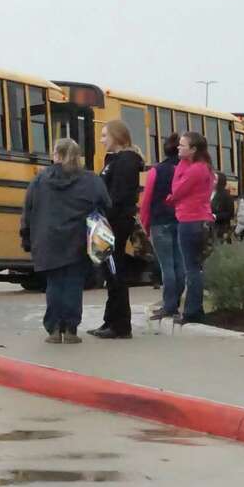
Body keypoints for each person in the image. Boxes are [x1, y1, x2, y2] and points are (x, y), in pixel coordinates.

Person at [20, 138, 111, 344]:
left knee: (54, 284)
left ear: (56, 155)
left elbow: (28, 210)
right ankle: (71, 329)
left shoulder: (40, 180)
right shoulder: (91, 180)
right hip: (78, 241)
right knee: (73, 284)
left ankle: (53, 329)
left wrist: (26, 237)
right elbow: (106, 204)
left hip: (48, 240)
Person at [89, 120, 143, 339]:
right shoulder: (114, 160)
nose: (101, 140)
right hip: (106, 222)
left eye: (104, 136)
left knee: (114, 271)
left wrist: (105, 219)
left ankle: (120, 325)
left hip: (114, 224)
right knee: (110, 273)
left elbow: (118, 196)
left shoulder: (126, 162)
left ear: (116, 137)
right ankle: (110, 320)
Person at [167, 131, 216, 324]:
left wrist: (182, 164)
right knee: (196, 267)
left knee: (192, 268)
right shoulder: (205, 168)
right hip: (201, 219)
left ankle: (192, 311)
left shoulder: (195, 169)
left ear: (193, 149)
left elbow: (177, 190)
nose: (178, 148)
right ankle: (196, 308)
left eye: (182, 145)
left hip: (190, 220)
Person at [139, 133, 185, 319]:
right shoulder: (186, 170)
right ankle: (176, 303)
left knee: (166, 266)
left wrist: (145, 223)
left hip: (160, 221)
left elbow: (147, 200)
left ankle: (168, 305)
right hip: (181, 220)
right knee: (179, 264)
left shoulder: (157, 171)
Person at [211, 172, 235, 242]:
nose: (212, 180)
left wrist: (215, 216)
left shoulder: (226, 196)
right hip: (207, 229)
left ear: (220, 182)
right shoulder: (207, 193)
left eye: (215, 179)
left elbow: (230, 213)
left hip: (221, 229)